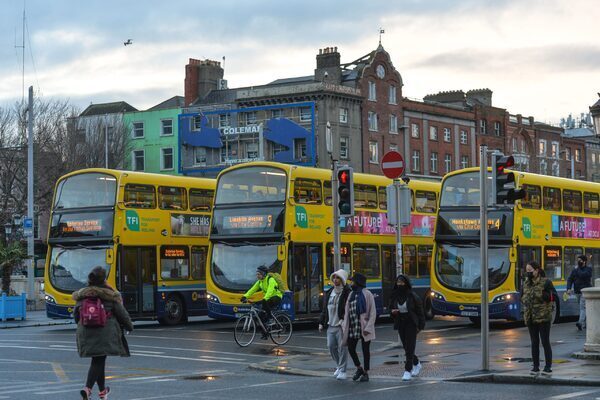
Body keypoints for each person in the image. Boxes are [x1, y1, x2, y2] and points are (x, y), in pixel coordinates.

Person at [73, 266, 133, 400]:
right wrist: (130, 326)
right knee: (98, 360)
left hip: (85, 333)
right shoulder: (110, 295)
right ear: (104, 279)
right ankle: (87, 388)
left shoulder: (82, 296)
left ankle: (102, 391)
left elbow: (76, 317)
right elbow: (122, 314)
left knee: (99, 358)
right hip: (105, 333)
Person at [389, 274, 426, 381]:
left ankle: (407, 370)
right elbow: (390, 308)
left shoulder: (412, 296)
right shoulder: (394, 295)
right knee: (406, 347)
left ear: (406, 283)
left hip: (411, 322)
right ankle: (416, 363)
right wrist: (393, 312)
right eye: (398, 282)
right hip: (400, 322)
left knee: (410, 347)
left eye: (402, 282)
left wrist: (420, 326)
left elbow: (420, 312)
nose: (400, 284)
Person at [521, 260, 555, 375]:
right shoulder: (526, 283)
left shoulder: (546, 282)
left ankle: (548, 366)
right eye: (527, 271)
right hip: (530, 317)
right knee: (534, 342)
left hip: (543, 317)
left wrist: (543, 295)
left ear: (537, 270)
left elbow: (553, 296)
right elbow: (522, 296)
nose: (528, 273)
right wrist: (524, 300)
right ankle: (535, 366)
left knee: (545, 342)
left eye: (530, 271)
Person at [341, 272, 376, 382]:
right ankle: (359, 368)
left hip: (364, 327)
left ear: (358, 282)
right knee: (351, 348)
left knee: (366, 350)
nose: (351, 283)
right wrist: (344, 324)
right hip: (353, 326)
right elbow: (347, 312)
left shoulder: (367, 294)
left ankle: (366, 372)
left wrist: (368, 327)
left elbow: (372, 312)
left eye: (353, 281)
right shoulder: (351, 294)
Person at [319, 269, 351, 380]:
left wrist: (344, 319)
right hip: (330, 324)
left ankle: (343, 370)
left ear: (342, 280)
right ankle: (339, 365)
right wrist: (321, 322)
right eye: (334, 277)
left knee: (342, 348)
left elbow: (348, 309)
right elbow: (325, 308)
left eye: (338, 278)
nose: (335, 280)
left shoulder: (347, 292)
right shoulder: (329, 292)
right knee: (331, 346)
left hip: (341, 325)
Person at [241, 265, 283, 339]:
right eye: (257, 274)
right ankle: (265, 334)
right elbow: (252, 289)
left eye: (259, 274)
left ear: (263, 274)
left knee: (265, 303)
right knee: (259, 317)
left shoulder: (270, 279)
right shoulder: (260, 282)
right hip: (268, 298)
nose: (257, 275)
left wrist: (265, 298)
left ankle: (270, 318)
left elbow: (270, 290)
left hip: (276, 297)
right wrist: (245, 296)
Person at [567, 254, 593, 331]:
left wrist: (577, 269)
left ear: (584, 261)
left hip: (585, 292)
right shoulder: (575, 270)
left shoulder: (588, 269)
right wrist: (568, 288)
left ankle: (580, 323)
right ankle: (585, 324)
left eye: (580, 261)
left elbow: (583, 275)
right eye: (577, 260)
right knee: (583, 308)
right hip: (577, 292)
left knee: (582, 307)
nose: (578, 262)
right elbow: (570, 279)